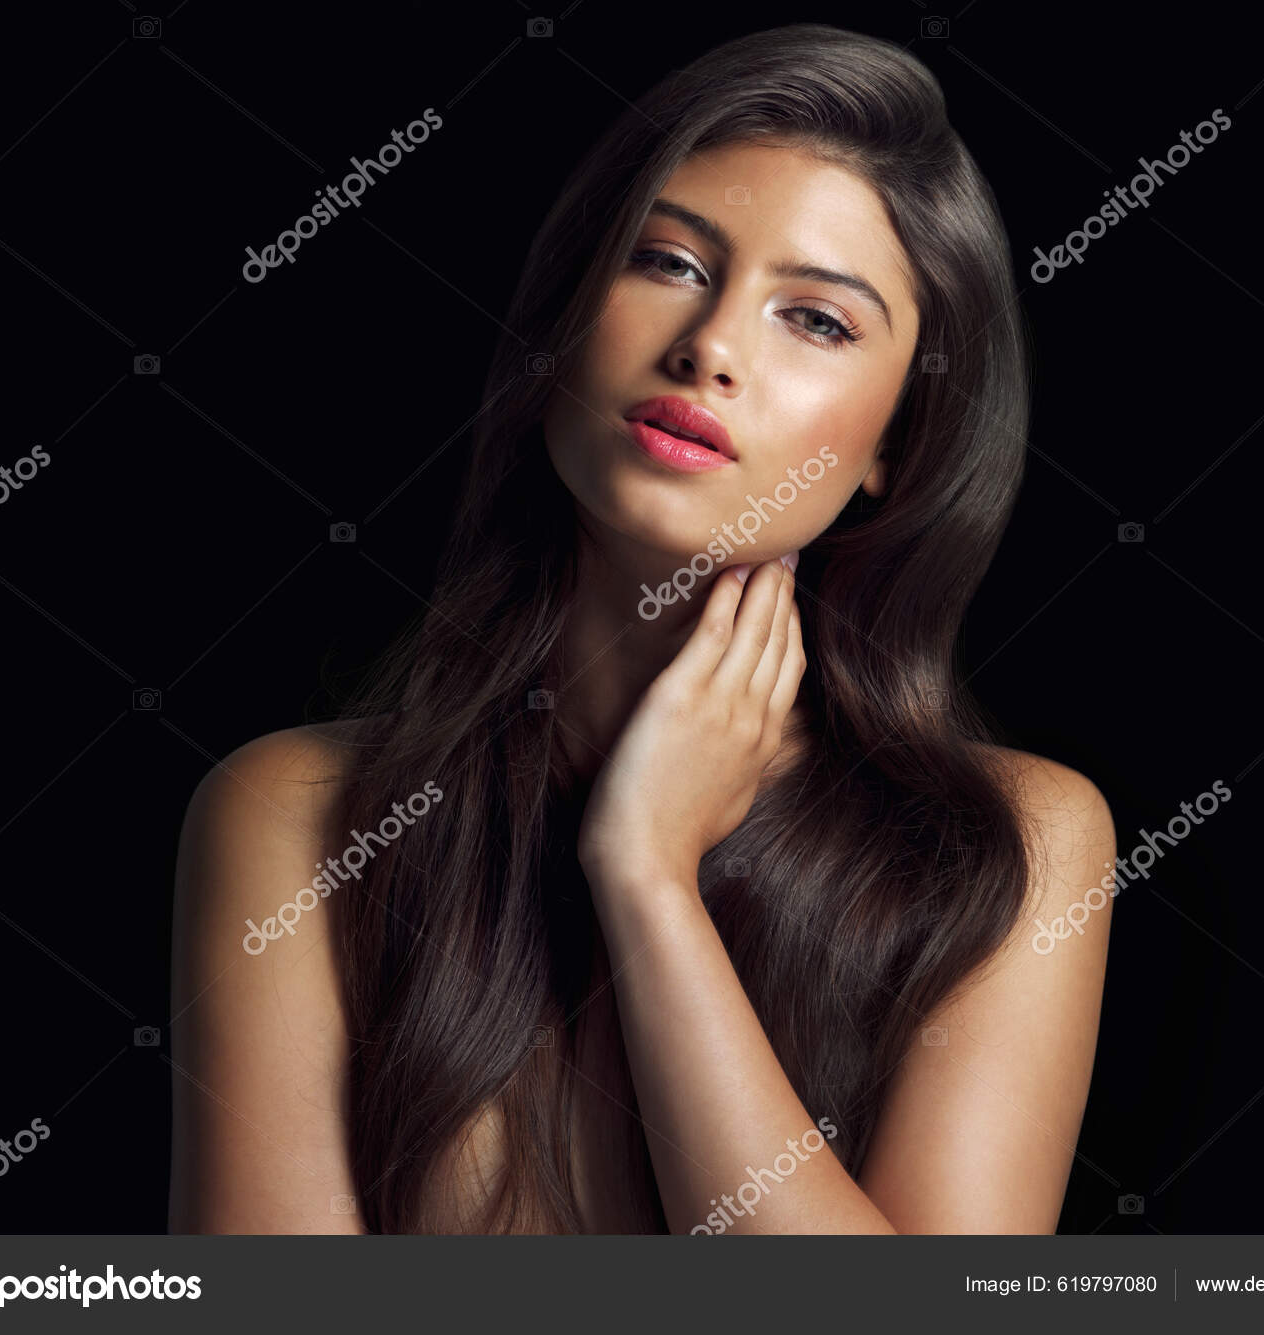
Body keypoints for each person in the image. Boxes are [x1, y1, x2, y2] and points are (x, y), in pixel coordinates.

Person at [169, 23, 1115, 1235]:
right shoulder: (302, 818)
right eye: (667, 261)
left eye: (817, 320)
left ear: (897, 442)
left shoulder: (1011, 846)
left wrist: (648, 878)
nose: (709, 347)